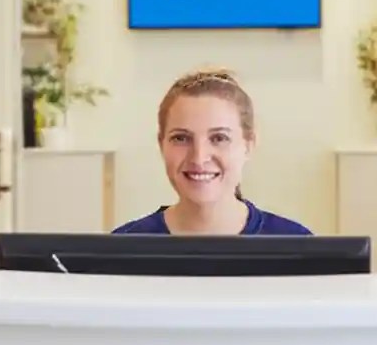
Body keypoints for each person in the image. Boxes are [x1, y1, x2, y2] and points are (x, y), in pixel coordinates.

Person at [113, 68, 312, 235]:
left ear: (248, 145)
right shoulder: (120, 249)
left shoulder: (298, 246)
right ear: (161, 144)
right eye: (181, 138)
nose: (199, 157)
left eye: (219, 138)